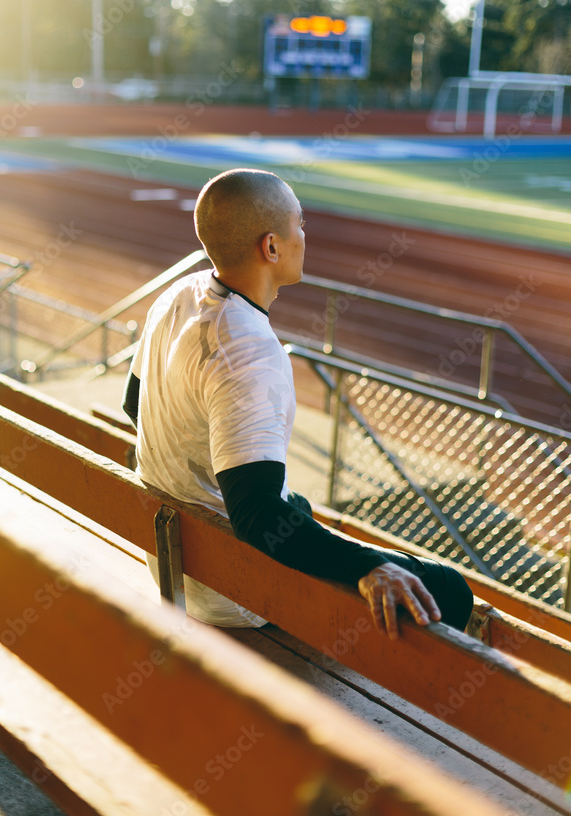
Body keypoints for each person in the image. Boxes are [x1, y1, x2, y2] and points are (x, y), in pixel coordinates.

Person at [123, 168, 473, 640]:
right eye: (299, 225)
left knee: (301, 507)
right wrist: (368, 566)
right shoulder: (248, 353)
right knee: (451, 589)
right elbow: (256, 515)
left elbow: (133, 404)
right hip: (229, 592)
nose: (305, 236)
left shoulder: (175, 295)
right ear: (271, 247)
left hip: (168, 554)